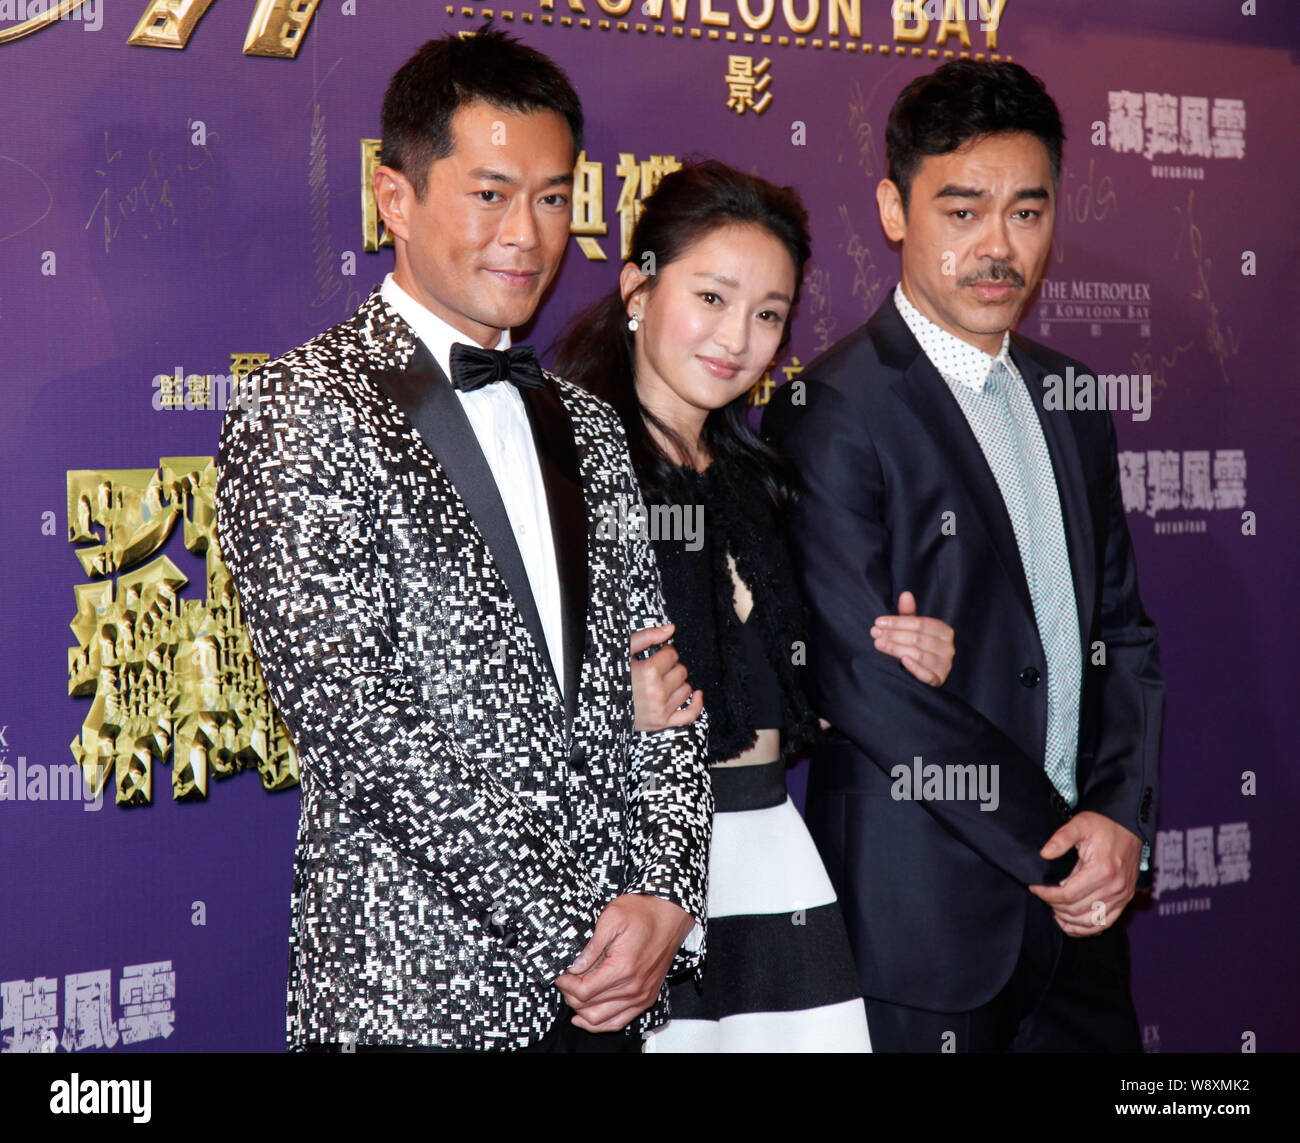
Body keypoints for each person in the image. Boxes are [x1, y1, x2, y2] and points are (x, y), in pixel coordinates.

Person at [215, 25, 712, 1053]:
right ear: (394, 197)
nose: (526, 235)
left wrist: (666, 893)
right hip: (421, 993)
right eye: (488, 194)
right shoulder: (305, 407)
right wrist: (581, 926)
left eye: (549, 198)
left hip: (610, 991)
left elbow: (656, 675)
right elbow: (363, 730)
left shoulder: (582, 420)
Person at [763, 60, 1164, 1052]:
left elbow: (1122, 631)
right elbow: (864, 682)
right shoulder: (834, 411)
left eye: (1027, 212)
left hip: (1085, 922)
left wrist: (1116, 814)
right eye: (962, 210)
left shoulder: (1072, 396)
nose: (997, 246)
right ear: (894, 210)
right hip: (927, 928)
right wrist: (1057, 846)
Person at [554, 160, 956, 1051]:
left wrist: (900, 646)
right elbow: (497, 683)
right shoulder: (567, 471)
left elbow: (797, 672)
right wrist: (607, 711)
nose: (737, 338)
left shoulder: (757, 479)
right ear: (636, 288)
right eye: (711, 296)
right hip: (632, 879)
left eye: (768, 314)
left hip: (769, 858)